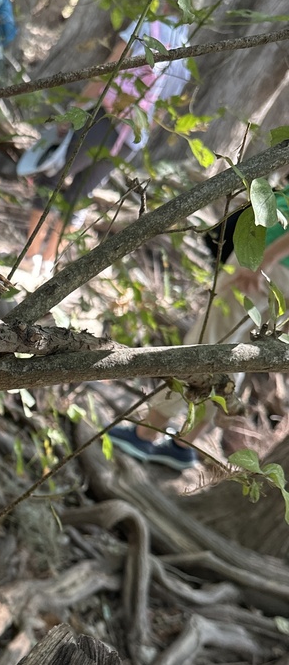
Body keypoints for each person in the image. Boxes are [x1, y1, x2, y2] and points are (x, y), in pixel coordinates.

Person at [109, 187, 289, 470]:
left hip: (266, 266)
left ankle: (145, 434)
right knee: (235, 355)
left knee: (205, 347)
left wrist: (265, 259)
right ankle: (183, 445)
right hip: (273, 268)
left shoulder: (267, 261)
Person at [23, 9, 190, 273]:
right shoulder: (184, 53)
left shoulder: (145, 26)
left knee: (50, 178)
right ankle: (48, 260)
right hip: (130, 139)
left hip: (104, 121)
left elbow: (107, 72)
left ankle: (30, 255)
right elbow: (161, 110)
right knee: (81, 193)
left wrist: (74, 112)